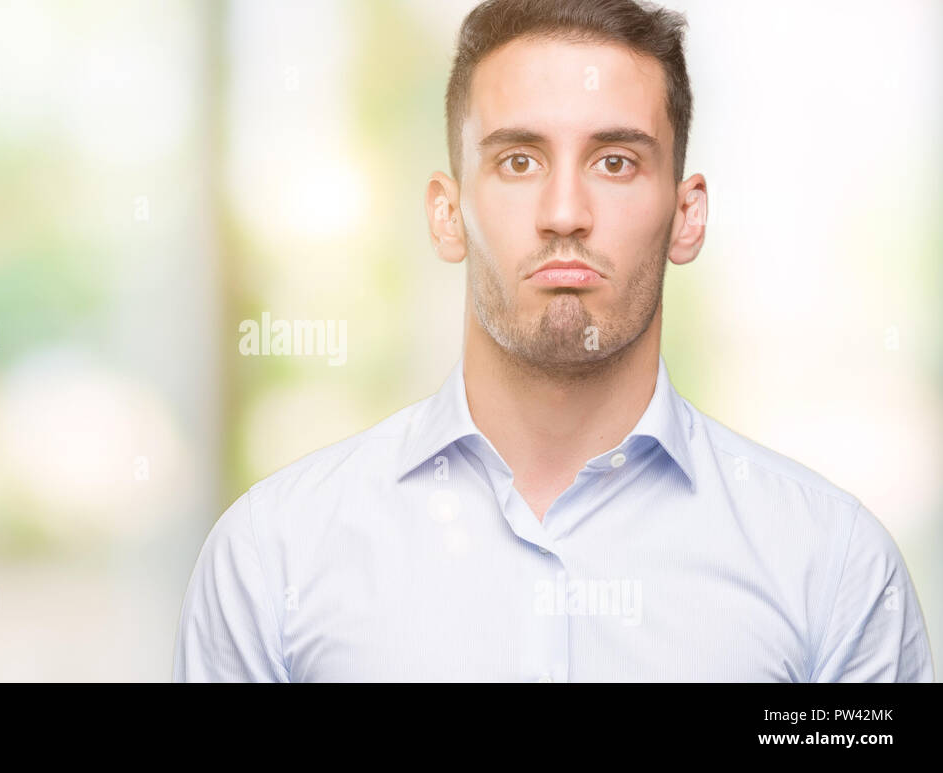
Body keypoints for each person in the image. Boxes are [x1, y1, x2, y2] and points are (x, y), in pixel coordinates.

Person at [173, 0, 934, 682]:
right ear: (447, 213)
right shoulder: (271, 558)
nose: (564, 211)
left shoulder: (834, 569)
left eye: (615, 161)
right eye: (517, 161)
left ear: (687, 215)